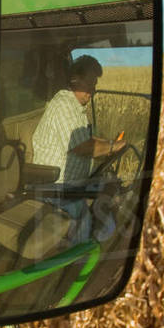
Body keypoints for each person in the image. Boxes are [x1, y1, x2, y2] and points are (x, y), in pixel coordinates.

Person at [29, 55, 126, 244]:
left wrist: (109, 143)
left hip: (72, 183)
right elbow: (83, 147)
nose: (93, 89)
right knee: (82, 214)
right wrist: (113, 147)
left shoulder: (74, 107)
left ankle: (98, 243)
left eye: (94, 84)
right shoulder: (64, 105)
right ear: (75, 80)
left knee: (111, 188)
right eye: (90, 83)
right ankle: (76, 260)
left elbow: (87, 139)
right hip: (54, 184)